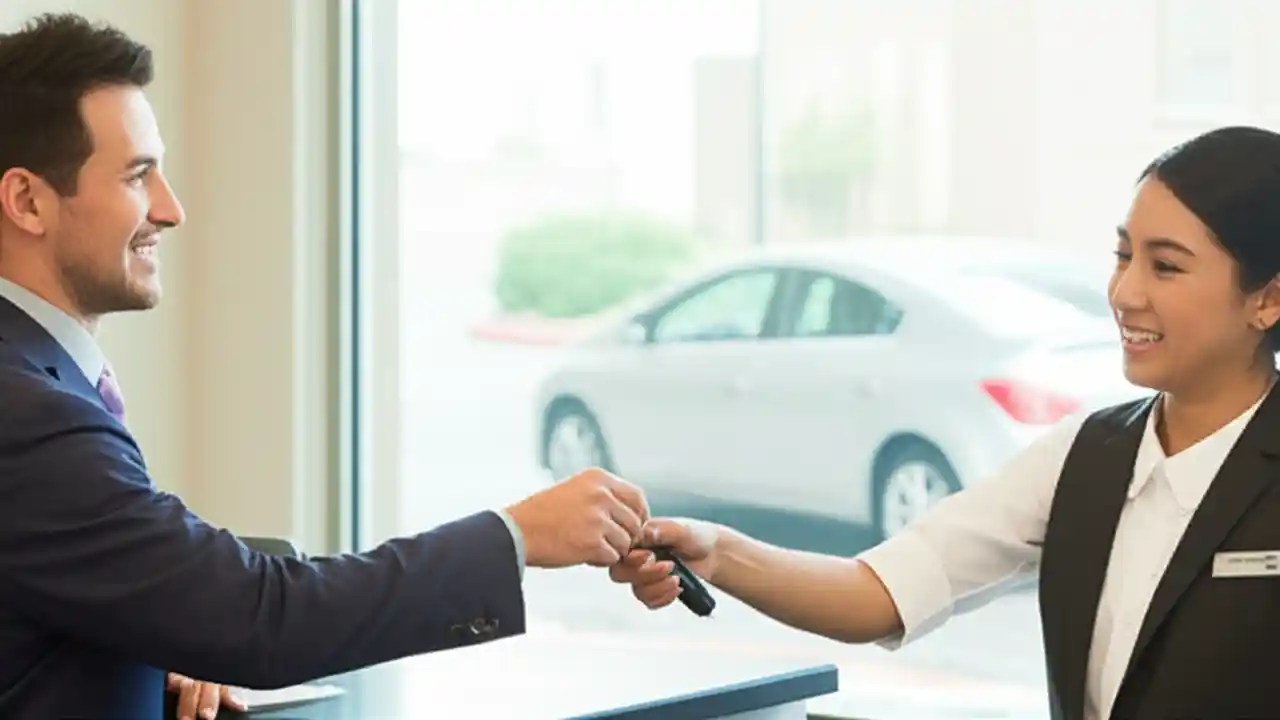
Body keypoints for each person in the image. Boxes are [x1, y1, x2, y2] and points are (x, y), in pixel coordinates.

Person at [0, 13, 649, 720]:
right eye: (137, 175)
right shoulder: (27, 413)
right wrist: (518, 535)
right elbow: (262, 616)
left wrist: (161, 648)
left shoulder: (39, 385)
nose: (171, 208)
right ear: (28, 201)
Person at [616, 124, 1280, 719]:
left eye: (1165, 266)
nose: (1125, 292)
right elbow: (875, 593)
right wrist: (718, 552)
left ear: (1267, 299)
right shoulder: (1088, 456)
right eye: (1122, 255)